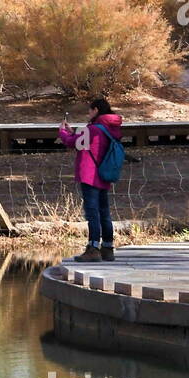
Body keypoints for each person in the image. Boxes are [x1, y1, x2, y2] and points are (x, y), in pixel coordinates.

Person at [58, 97, 123, 262]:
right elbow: (85, 141)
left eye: (90, 110)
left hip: (90, 175)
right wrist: (75, 133)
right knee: (104, 212)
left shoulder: (93, 129)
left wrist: (63, 133)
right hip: (104, 174)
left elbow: (73, 144)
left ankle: (93, 248)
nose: (88, 113)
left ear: (96, 110)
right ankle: (107, 248)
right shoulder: (110, 128)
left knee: (92, 212)